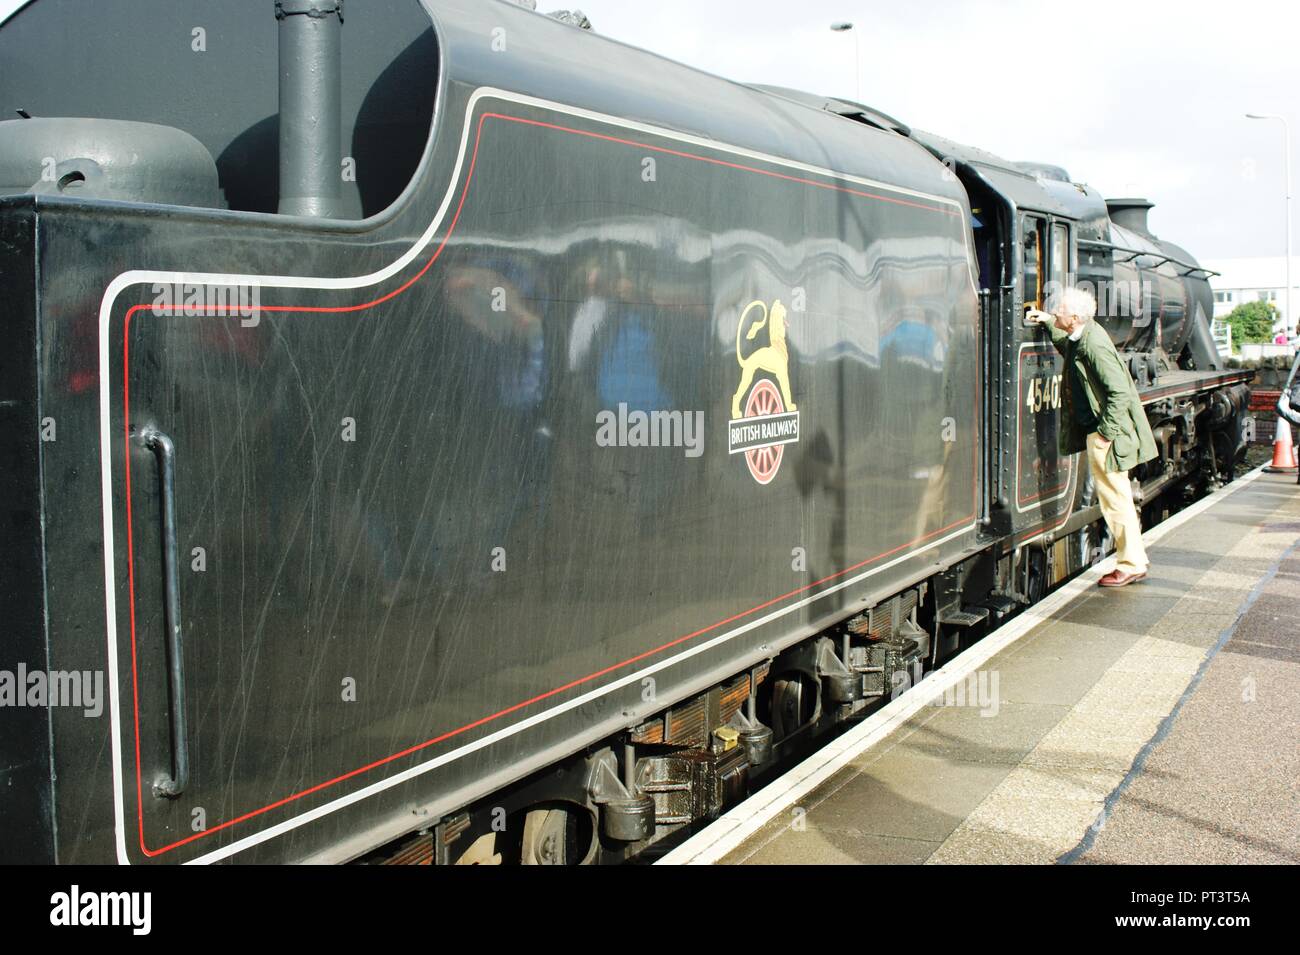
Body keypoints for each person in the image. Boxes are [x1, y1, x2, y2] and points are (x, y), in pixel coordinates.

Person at [1027, 287, 1157, 587]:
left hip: (1107, 437)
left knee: (1115, 500)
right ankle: (1134, 559)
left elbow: (1119, 391)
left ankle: (1130, 564)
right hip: (1102, 433)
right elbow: (1065, 344)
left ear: (1073, 317)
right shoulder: (1080, 336)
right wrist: (1047, 320)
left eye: (1059, 308)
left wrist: (1105, 434)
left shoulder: (1094, 345)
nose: (1056, 309)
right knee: (1116, 497)